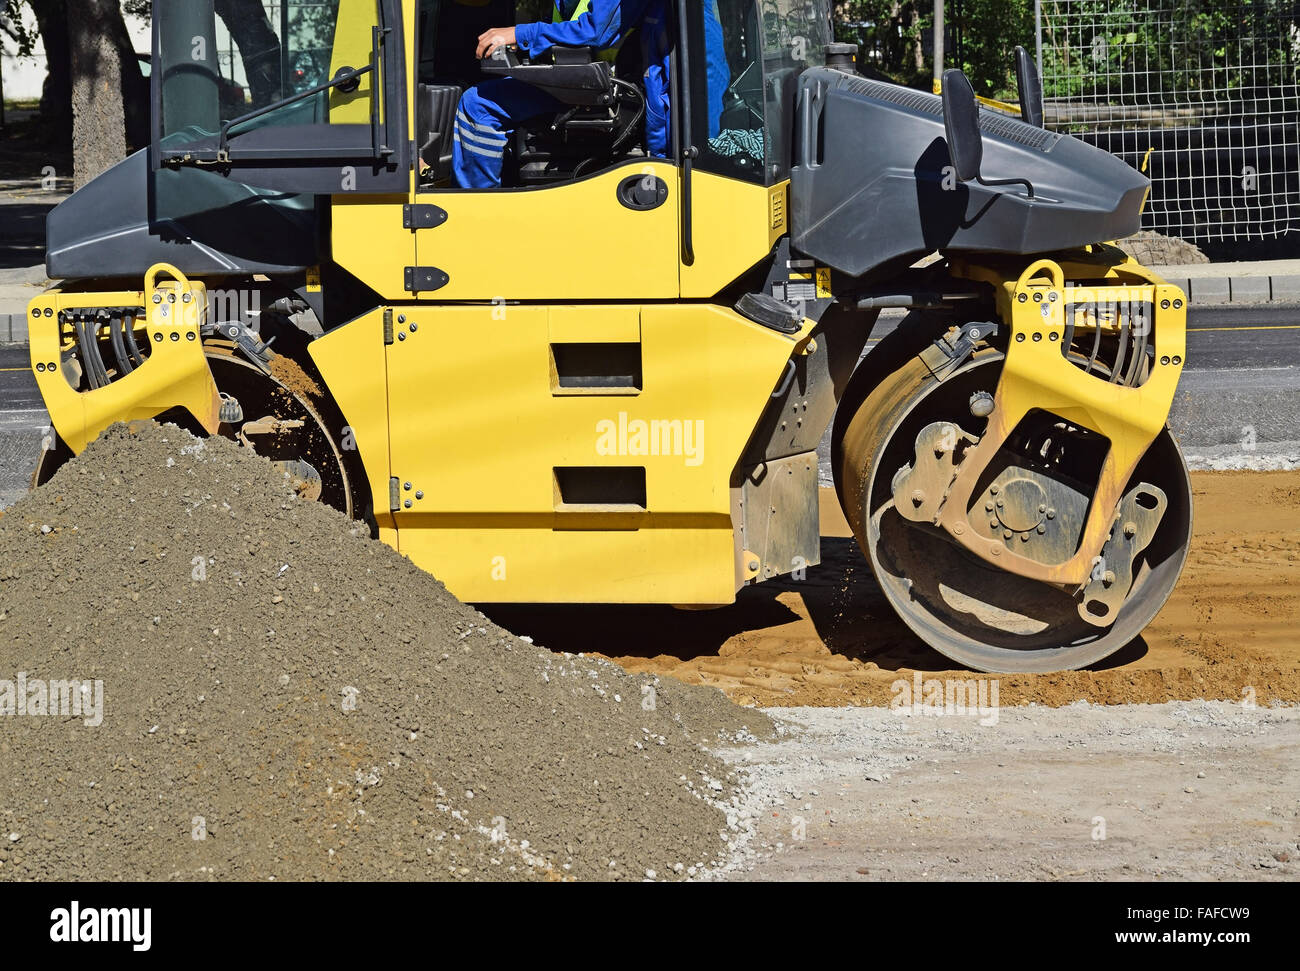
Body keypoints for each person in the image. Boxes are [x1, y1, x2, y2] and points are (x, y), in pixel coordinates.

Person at [452, 0, 672, 188]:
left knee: (478, 105)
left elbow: (597, 32)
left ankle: (478, 206)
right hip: (583, 80)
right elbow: (566, 24)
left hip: (606, 91)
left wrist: (521, 34)